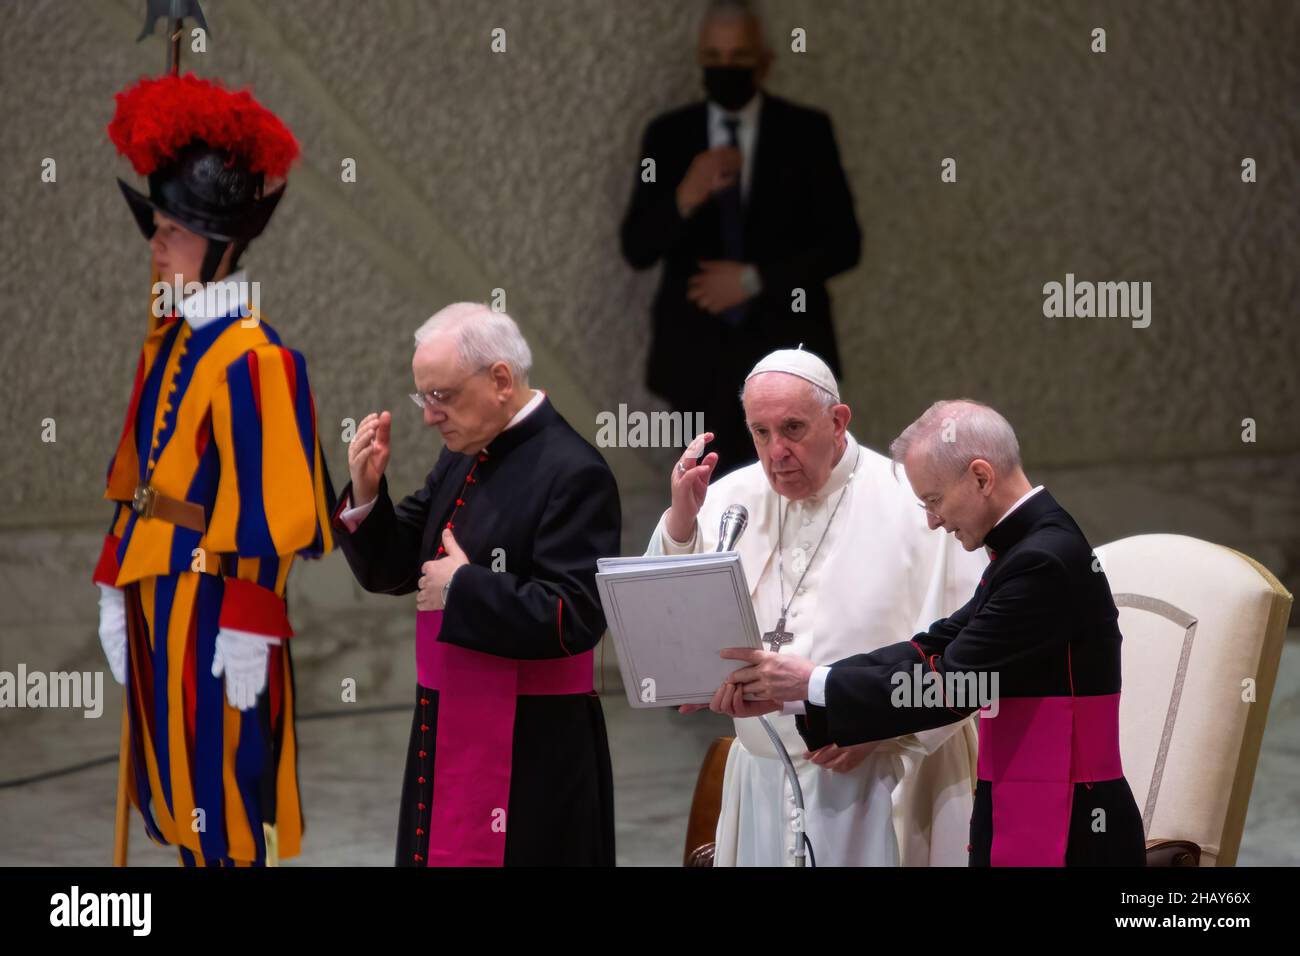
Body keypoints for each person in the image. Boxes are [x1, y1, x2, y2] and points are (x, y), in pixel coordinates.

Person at [723, 400, 1147, 865]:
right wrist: (799, 691)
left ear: (981, 477)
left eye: (934, 499)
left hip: (1070, 818)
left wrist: (811, 684)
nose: (932, 519)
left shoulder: (1041, 561)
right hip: (1029, 793)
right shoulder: (1027, 547)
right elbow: (932, 646)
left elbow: (952, 685)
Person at [94, 73, 335, 866]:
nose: (157, 245)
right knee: (167, 780)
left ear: (225, 246)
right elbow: (136, 477)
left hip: (214, 597)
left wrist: (250, 622)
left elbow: (273, 511)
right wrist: (109, 578)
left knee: (220, 790)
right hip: (153, 584)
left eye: (174, 230)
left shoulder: (259, 360)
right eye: (157, 227)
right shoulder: (168, 341)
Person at [648, 349, 985, 866]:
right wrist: (679, 524)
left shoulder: (915, 499)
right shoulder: (724, 499)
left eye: (793, 428)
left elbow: (977, 656)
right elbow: (662, 625)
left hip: (887, 775)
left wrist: (886, 725)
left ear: (838, 420)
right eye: (760, 432)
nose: (775, 451)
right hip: (764, 777)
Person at [332, 303, 620, 866]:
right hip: (448, 720)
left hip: (535, 747)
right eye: (424, 397)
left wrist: (464, 587)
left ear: (501, 381)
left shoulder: (575, 470)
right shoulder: (462, 458)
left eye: (441, 395)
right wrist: (367, 495)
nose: (429, 415)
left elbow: (577, 615)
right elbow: (397, 566)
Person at [621, 0, 861, 473]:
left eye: (738, 59)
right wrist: (685, 196)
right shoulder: (669, 136)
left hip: (788, 345)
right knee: (707, 492)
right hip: (696, 357)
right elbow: (636, 247)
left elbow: (843, 243)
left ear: (764, 61)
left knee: (795, 483)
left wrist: (753, 280)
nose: (724, 70)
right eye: (713, 59)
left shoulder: (805, 132)